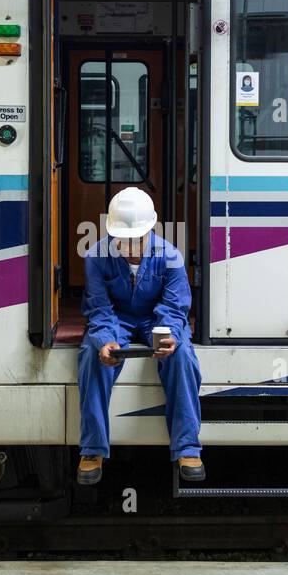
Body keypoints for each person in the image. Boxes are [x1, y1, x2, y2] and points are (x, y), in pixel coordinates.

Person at [77, 187, 203, 485]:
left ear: (150, 230)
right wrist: (106, 340)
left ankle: (187, 447)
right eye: (124, 239)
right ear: (112, 233)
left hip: (155, 319)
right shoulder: (96, 256)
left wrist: (169, 334)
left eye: (138, 238)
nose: (131, 245)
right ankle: (92, 449)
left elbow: (175, 305)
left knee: (182, 354)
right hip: (116, 319)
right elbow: (99, 308)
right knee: (90, 357)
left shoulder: (170, 255)